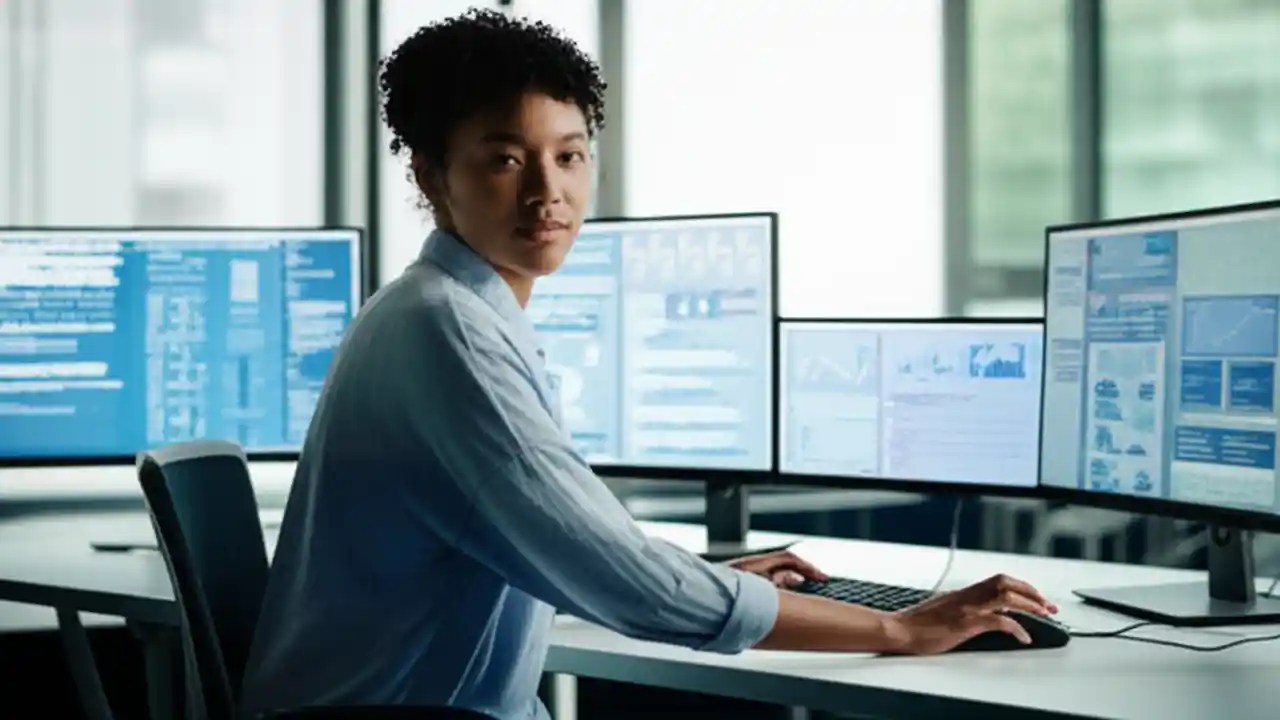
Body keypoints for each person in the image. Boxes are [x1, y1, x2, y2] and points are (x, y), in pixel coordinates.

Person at [240, 9, 1057, 720]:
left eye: (568, 155)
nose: (546, 194)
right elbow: (631, 588)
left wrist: (708, 580)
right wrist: (903, 627)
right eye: (504, 159)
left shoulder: (435, 309)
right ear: (430, 176)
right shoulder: (447, 333)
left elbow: (568, 553)